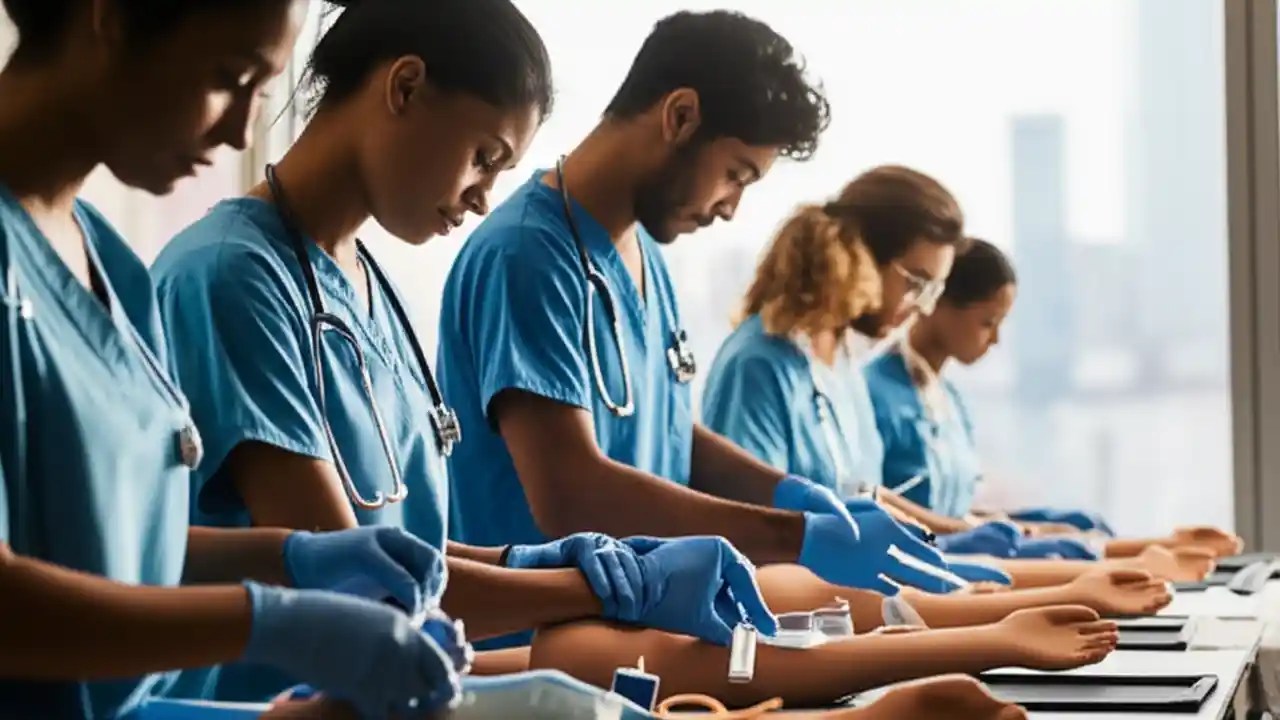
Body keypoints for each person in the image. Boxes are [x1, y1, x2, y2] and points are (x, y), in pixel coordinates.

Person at [152, 0, 776, 703]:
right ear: (406, 88)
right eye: (484, 158)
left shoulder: (367, 285)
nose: (482, 199)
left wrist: (528, 562)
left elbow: (394, 545)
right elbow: (352, 579)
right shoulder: (232, 276)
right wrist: (589, 591)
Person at [0, 1, 475, 718]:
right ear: (109, 17)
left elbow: (120, 551)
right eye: (230, 76)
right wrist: (271, 621)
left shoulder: (107, 265)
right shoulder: (213, 269)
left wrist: (285, 560)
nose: (241, 130)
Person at [436, 10, 956, 624]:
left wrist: (795, 496)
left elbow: (674, 436)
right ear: (680, 116)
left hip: (638, 643)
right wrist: (795, 536)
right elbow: (571, 491)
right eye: (736, 174)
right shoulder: (527, 255)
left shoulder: (647, 258)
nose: (732, 209)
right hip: (534, 653)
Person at [863, 238, 1242, 559]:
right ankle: (1164, 549)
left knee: (1079, 526)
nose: (994, 340)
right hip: (919, 552)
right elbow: (876, 501)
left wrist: (1023, 525)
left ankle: (1167, 547)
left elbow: (954, 511)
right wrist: (986, 529)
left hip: (959, 542)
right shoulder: (873, 390)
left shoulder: (951, 400)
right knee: (1059, 548)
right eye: (987, 323)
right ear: (938, 304)